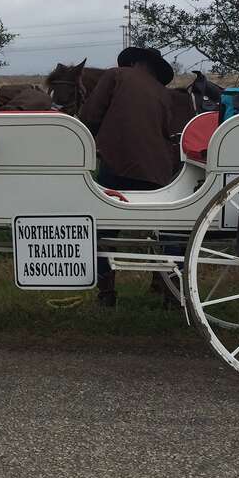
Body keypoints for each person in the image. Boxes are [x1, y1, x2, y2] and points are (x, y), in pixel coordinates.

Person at [77, 46, 177, 306]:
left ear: (133, 63)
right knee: (167, 229)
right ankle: (171, 290)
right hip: (158, 171)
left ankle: (106, 291)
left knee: (101, 228)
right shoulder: (163, 93)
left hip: (118, 164)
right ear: (154, 69)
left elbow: (90, 116)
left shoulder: (116, 75)